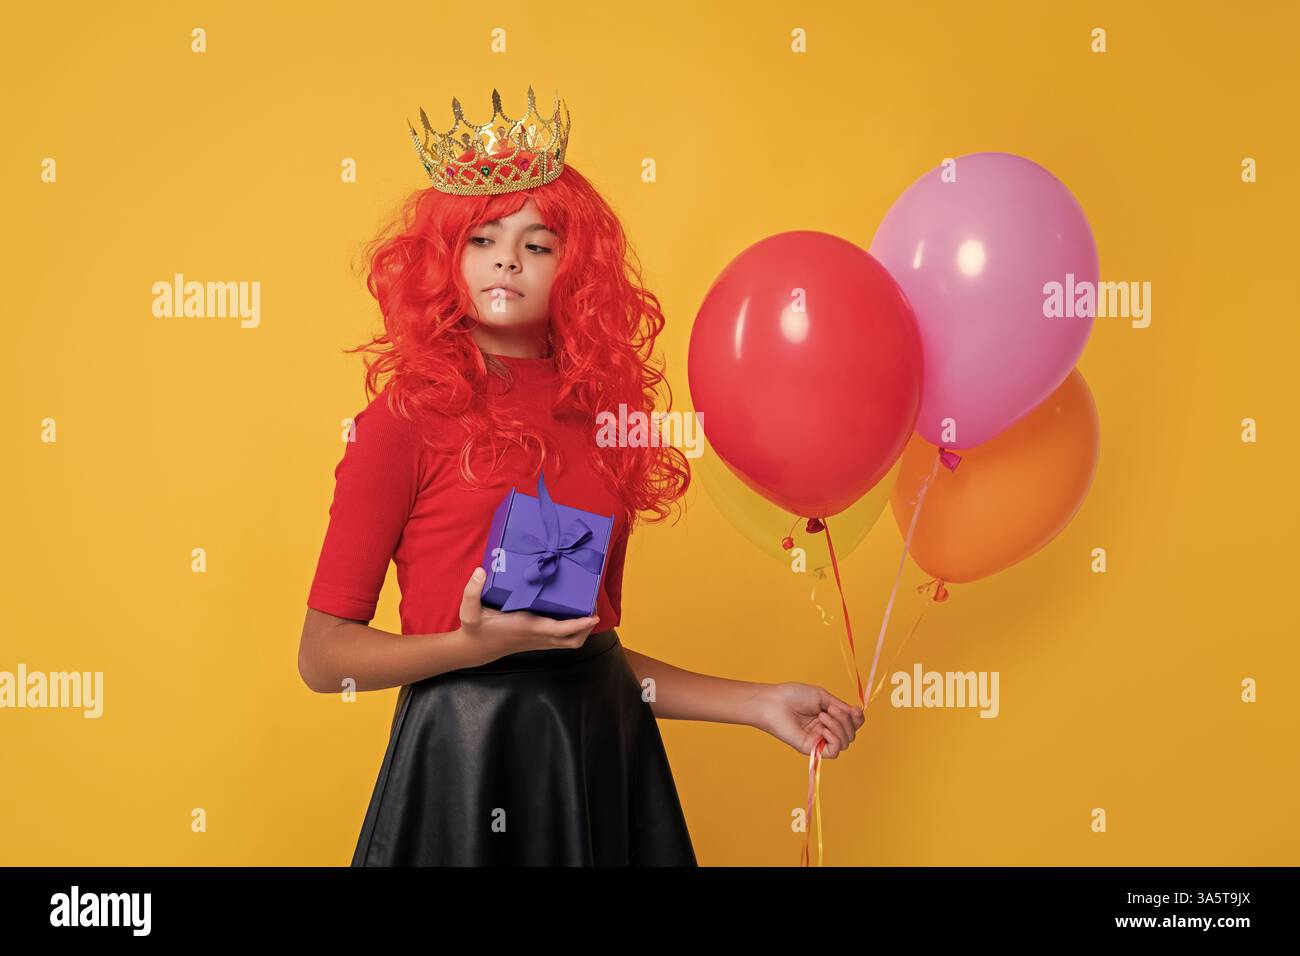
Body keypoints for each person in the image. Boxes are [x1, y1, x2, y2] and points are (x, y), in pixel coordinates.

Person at [298, 87, 864, 866]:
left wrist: (759, 704)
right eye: (482, 238)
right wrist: (469, 647)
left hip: (598, 756)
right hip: (464, 761)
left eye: (537, 243)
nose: (507, 259)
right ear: (442, 259)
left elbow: (588, 650)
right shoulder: (403, 423)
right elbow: (323, 658)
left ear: (574, 266)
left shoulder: (601, 419)